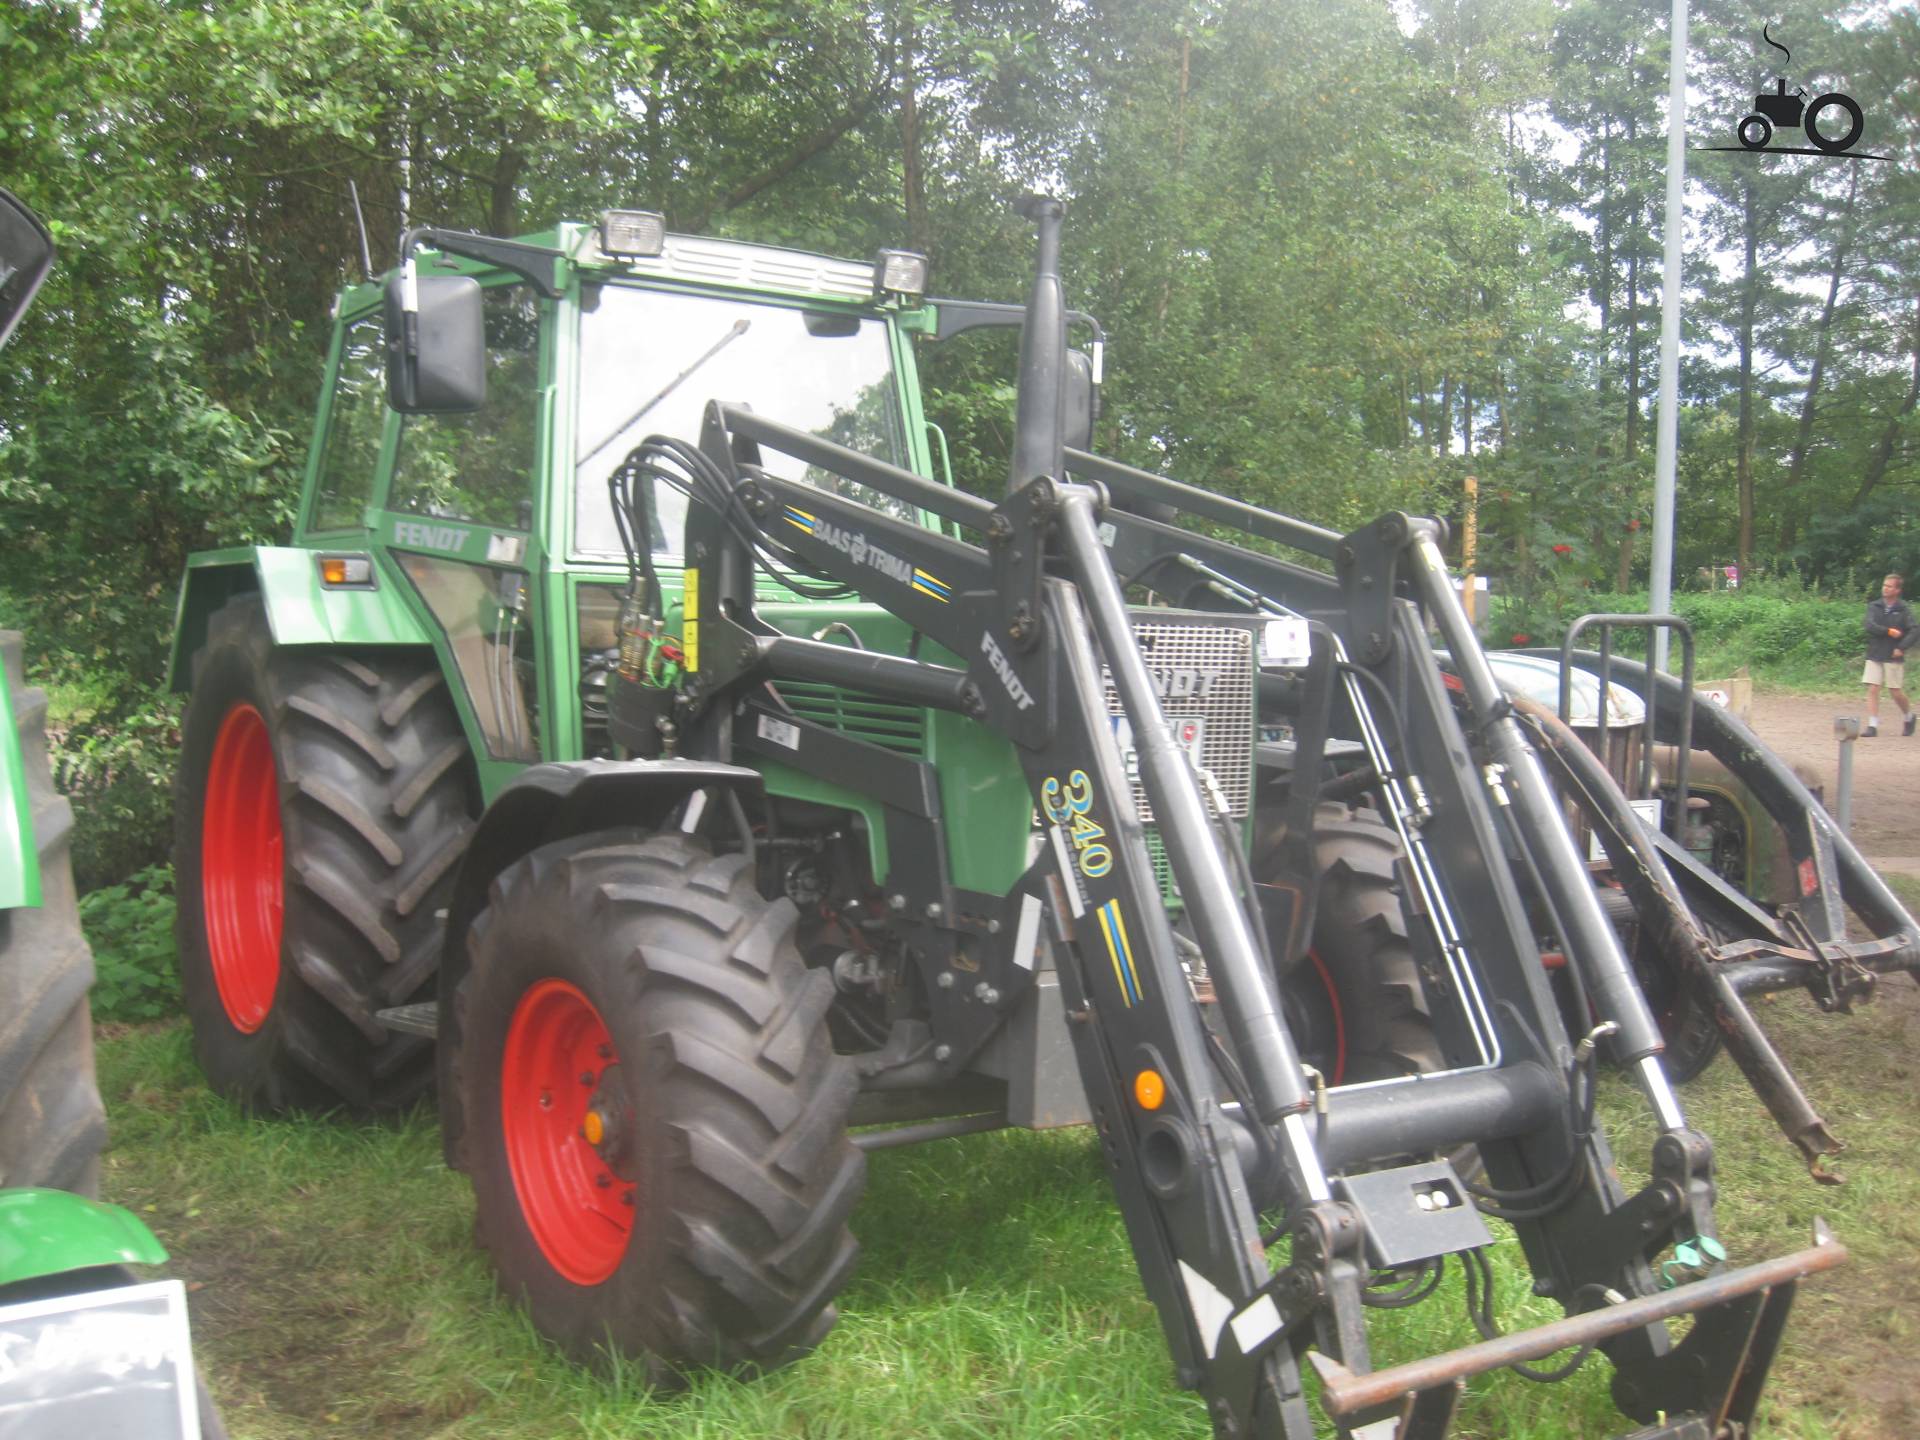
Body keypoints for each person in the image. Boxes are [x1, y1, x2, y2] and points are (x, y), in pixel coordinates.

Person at [1861, 573, 1917, 737]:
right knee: (1873, 687)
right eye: (1884, 585)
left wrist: (1902, 647)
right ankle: (1872, 725)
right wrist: (1887, 631)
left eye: (1890, 586)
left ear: (1897, 590)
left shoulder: (1904, 609)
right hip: (1875, 652)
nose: (1885, 588)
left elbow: (1914, 630)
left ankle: (1909, 716)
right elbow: (1869, 625)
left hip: (1893, 653)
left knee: (1895, 691)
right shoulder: (1874, 606)